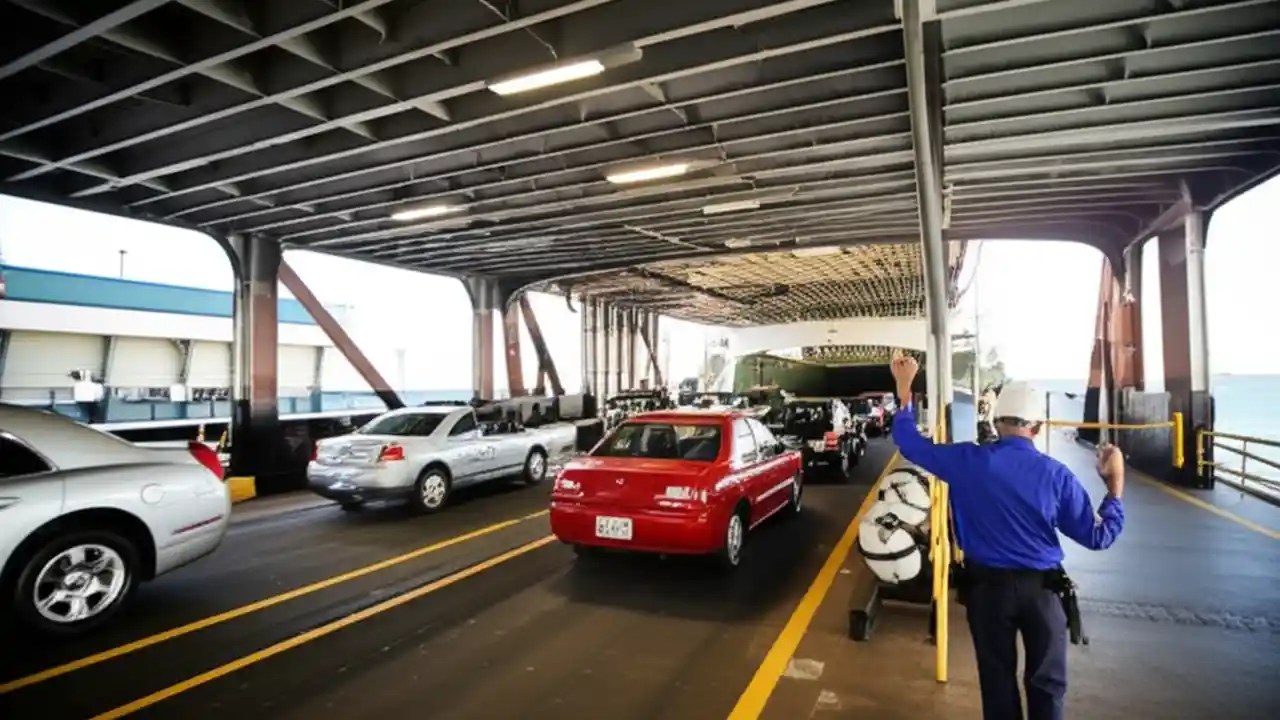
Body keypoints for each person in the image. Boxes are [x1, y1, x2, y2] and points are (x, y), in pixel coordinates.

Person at [887, 350, 1125, 720]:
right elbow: (1099, 536)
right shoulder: (1056, 476)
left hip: (987, 594)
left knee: (996, 681)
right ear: (1037, 428)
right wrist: (1115, 486)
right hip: (1042, 593)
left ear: (996, 424)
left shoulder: (967, 462)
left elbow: (910, 443)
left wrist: (904, 387)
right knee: (1047, 685)